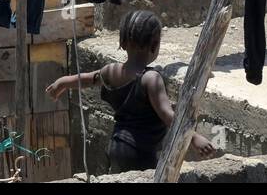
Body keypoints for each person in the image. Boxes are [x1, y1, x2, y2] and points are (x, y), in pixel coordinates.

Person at [46, 9, 218, 173]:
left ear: (122, 42)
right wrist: (194, 137)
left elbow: (87, 79)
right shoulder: (151, 79)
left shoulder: (111, 71)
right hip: (142, 152)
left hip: (117, 146)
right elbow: (167, 115)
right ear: (154, 45)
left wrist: (61, 83)